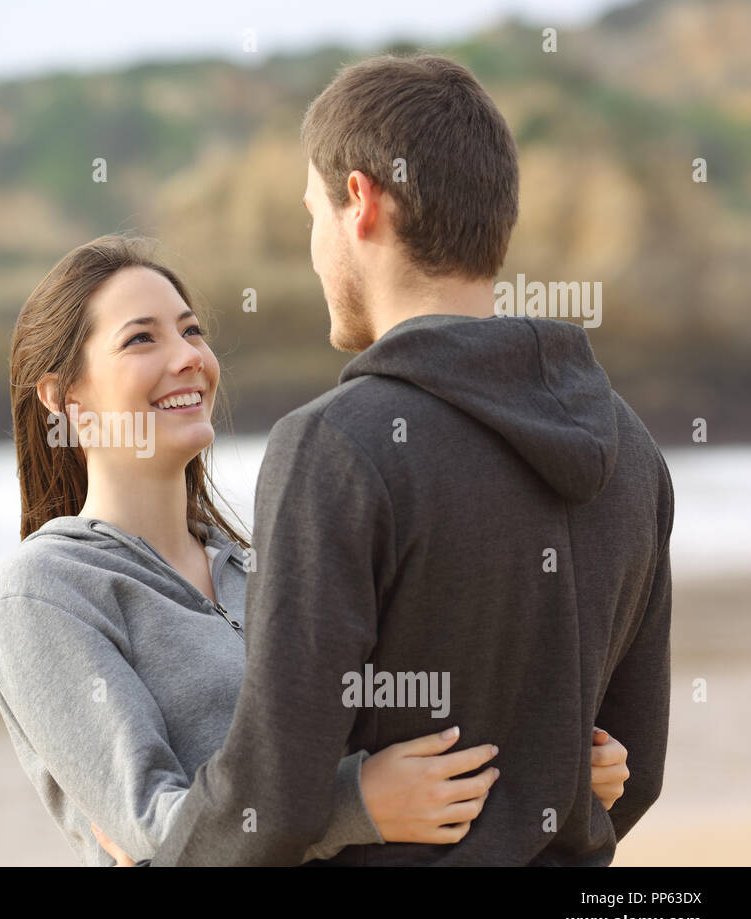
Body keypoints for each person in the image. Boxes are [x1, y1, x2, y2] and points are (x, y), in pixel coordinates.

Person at [143, 53, 673, 866]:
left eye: (311, 215)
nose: (314, 253)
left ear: (361, 202)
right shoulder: (633, 449)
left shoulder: (336, 448)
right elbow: (632, 770)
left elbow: (272, 801)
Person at [0, 230, 632, 867]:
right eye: (141, 338)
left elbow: (407, 744)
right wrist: (356, 803)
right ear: (65, 400)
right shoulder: (45, 591)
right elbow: (158, 834)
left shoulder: (260, 562)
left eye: (191, 330)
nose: (187, 357)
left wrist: (560, 768)